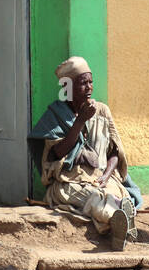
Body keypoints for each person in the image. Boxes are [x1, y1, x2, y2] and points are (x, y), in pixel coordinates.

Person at [28, 56, 141, 250]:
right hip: (70, 180)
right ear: (67, 87)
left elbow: (114, 153)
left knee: (112, 194)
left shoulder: (102, 111)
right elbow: (56, 153)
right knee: (92, 198)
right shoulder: (55, 115)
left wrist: (106, 177)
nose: (89, 87)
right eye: (82, 83)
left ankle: (118, 219)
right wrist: (79, 121)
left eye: (90, 82)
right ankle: (118, 221)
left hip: (103, 178)